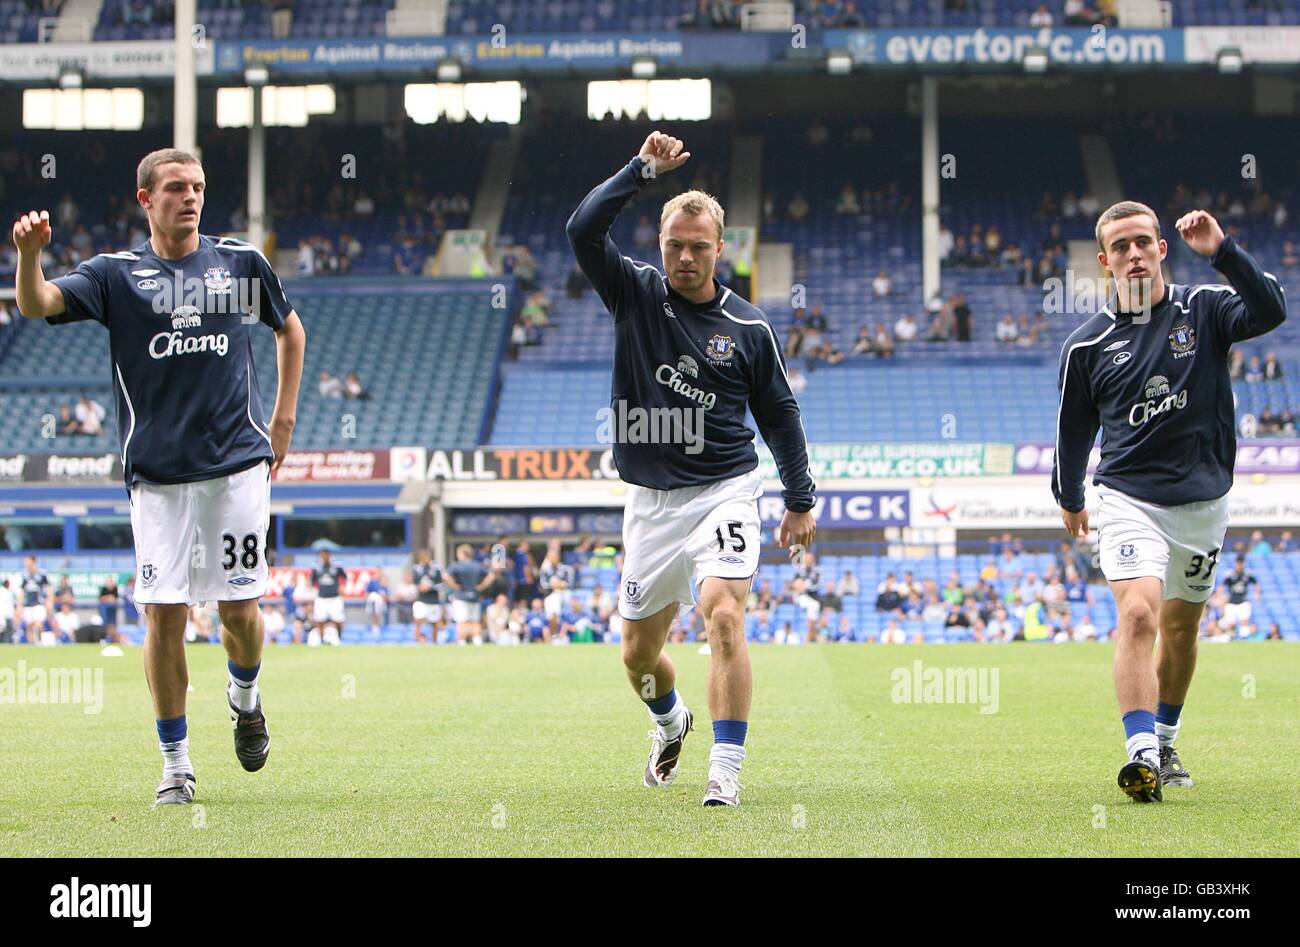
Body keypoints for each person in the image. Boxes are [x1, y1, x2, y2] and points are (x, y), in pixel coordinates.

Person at [13, 148, 305, 804]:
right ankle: (176, 765)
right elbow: (37, 304)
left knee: (239, 610)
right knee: (164, 615)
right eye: (176, 188)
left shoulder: (239, 263)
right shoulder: (116, 275)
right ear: (145, 198)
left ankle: (246, 697)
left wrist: (282, 420)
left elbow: (290, 331)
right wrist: (30, 255)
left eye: (198, 186)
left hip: (237, 467)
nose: (191, 197)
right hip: (158, 478)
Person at [567, 131, 816, 807]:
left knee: (724, 615)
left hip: (724, 491)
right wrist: (640, 170)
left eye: (698, 246)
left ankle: (725, 770)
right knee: (637, 657)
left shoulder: (749, 328)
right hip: (650, 502)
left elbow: (781, 416)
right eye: (674, 243)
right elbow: (583, 228)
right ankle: (671, 720)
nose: (684, 255)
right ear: (661, 244)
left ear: (719, 248)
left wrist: (799, 497)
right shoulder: (635, 293)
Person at [1053, 201, 1286, 803]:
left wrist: (1223, 251)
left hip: (1205, 503)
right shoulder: (1087, 347)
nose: (1133, 254)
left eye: (1143, 243)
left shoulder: (1204, 308)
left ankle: (1167, 735)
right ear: (1104, 262)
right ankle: (1141, 756)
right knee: (1137, 615)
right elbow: (1072, 433)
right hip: (1129, 497)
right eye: (1121, 247)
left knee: (1181, 631)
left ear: (1161, 248)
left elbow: (1271, 309)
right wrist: (1071, 494)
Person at [445, 543, 491, 645]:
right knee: (475, 620)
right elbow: (490, 575)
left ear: (461, 553)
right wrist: (482, 586)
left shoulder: (457, 565)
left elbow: (446, 576)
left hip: (460, 596)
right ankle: (477, 640)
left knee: (461, 621)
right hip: (474, 596)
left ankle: (462, 641)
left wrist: (454, 585)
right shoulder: (478, 565)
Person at [311, 551, 347, 645]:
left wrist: (342, 586)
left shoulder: (336, 566)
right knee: (320, 619)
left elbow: (344, 577)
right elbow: (312, 581)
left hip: (335, 597)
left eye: (326, 554)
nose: (324, 557)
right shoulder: (316, 567)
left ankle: (338, 637)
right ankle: (322, 639)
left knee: (338, 619)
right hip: (321, 597)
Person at [411, 549, 444, 644]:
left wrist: (431, 587)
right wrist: (420, 587)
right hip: (421, 599)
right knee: (418, 620)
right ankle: (418, 640)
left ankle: (434, 641)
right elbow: (414, 583)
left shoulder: (436, 568)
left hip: (433, 600)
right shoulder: (417, 569)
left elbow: (442, 584)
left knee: (434, 623)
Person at [1219, 558, 1260, 633]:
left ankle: (1244, 638)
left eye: (1241, 564)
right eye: (1238, 564)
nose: (1239, 566)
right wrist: (1221, 596)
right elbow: (1222, 585)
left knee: (1244, 621)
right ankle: (1231, 638)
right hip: (1231, 602)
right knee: (1231, 624)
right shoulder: (1230, 574)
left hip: (1243, 601)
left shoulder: (1247, 573)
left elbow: (1256, 583)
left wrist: (1257, 594)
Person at [19, 556, 53, 643]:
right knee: (29, 626)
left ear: (33, 562)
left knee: (38, 623)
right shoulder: (25, 575)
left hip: (39, 603)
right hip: (28, 604)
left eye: (27, 561)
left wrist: (49, 601)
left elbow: (49, 587)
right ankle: (31, 646)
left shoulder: (42, 574)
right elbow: (22, 591)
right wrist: (19, 605)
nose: (26, 564)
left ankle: (41, 642)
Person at [98, 574, 121, 644]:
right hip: (105, 611)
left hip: (112, 610)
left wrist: (111, 598)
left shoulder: (115, 588)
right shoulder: (104, 589)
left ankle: (113, 639)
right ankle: (105, 638)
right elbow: (101, 598)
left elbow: (115, 598)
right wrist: (109, 597)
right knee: (105, 624)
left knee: (113, 624)